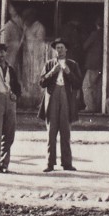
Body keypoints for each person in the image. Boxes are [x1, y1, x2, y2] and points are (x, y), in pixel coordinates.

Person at [37, 37, 81, 171]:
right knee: (51, 131)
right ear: (55, 51)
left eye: (62, 47)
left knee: (65, 131)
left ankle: (67, 163)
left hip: (66, 97)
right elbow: (42, 82)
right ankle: (49, 163)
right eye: (57, 48)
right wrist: (52, 72)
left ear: (66, 50)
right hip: (52, 96)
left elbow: (78, 83)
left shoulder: (72, 64)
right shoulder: (49, 64)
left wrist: (68, 71)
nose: (59, 50)